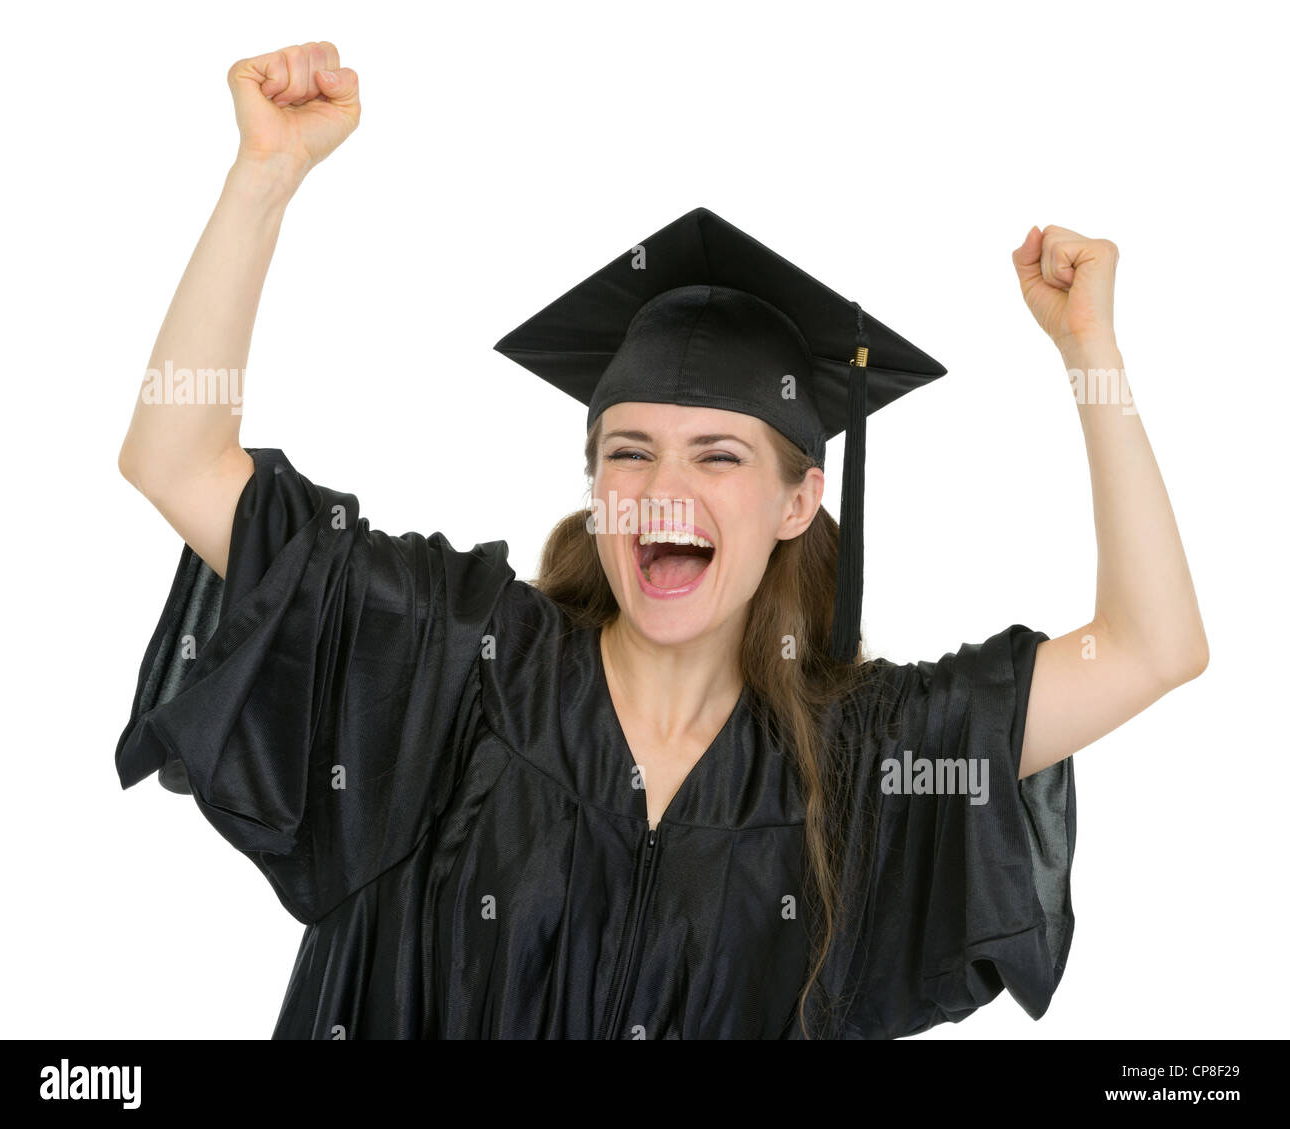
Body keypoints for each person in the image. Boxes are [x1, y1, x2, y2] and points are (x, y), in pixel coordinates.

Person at [114, 42, 1208, 1040]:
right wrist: (262, 178)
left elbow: (1154, 646)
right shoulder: (461, 658)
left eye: (719, 456)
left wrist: (1091, 351)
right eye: (628, 451)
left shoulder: (863, 763)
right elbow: (177, 461)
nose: (661, 489)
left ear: (796, 503)